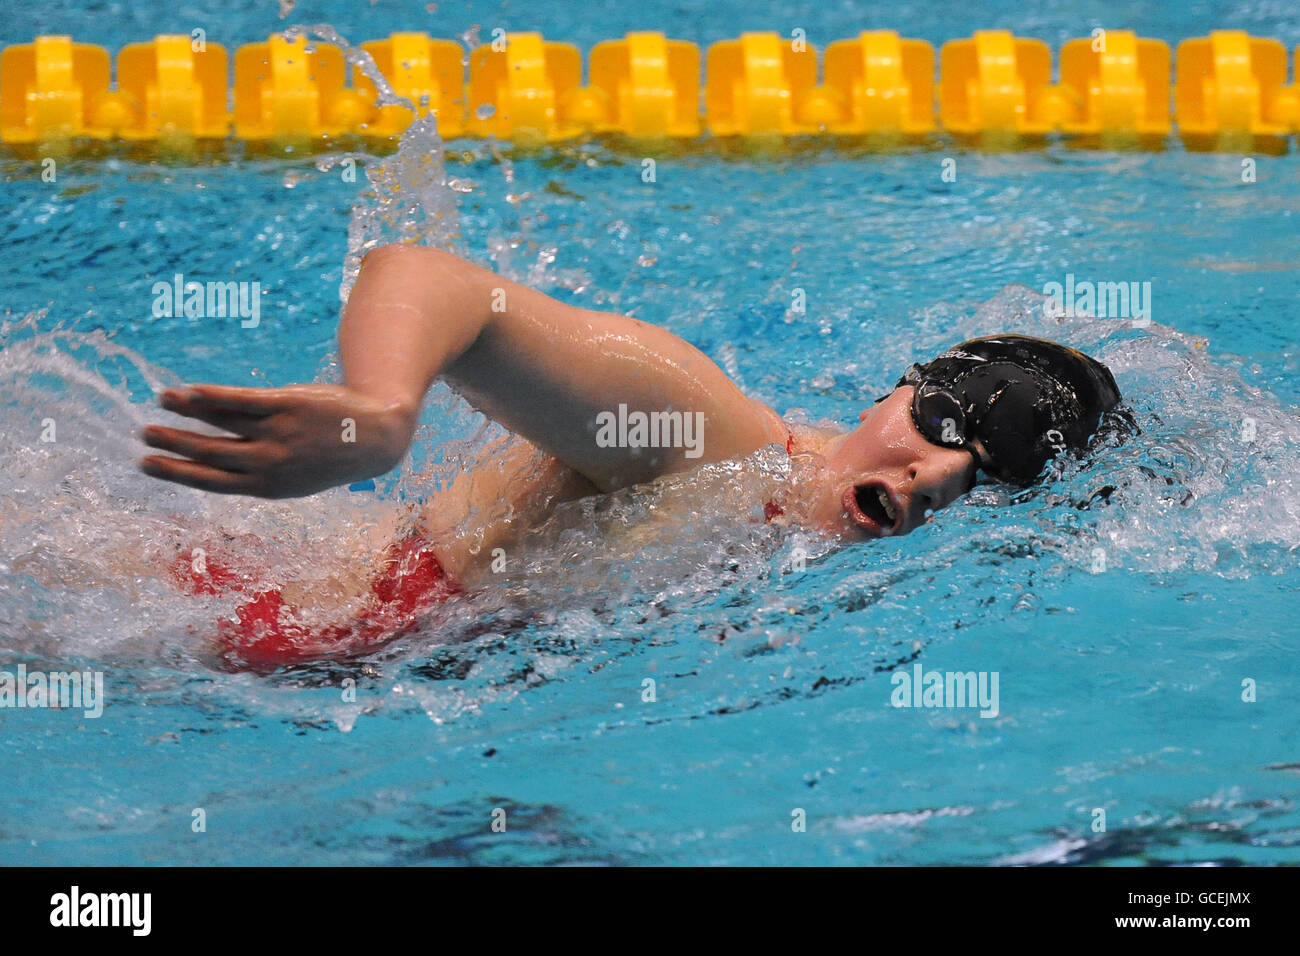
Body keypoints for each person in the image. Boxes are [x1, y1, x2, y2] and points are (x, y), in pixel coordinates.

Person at [139, 244, 1125, 668]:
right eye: (946, 427)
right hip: (207, 618)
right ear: (894, 391)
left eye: (991, 476)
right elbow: (435, 281)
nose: (933, 480)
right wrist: (377, 413)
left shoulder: (835, 557)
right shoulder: (710, 438)